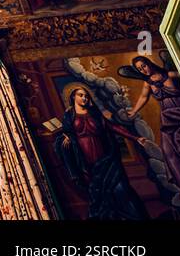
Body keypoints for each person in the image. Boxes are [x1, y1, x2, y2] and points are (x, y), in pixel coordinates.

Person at [54, 86, 148, 219]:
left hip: (105, 159)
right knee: (99, 196)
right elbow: (67, 132)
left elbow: (111, 126)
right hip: (86, 162)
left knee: (121, 189)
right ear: (73, 97)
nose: (84, 98)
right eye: (81, 95)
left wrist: (135, 138)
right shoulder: (69, 115)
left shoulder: (94, 112)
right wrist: (66, 136)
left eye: (86, 95)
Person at [121, 56, 180, 199]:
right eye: (140, 69)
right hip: (168, 118)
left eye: (144, 65)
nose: (143, 69)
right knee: (167, 151)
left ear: (149, 63)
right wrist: (134, 111)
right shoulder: (147, 83)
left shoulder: (170, 74)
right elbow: (143, 97)